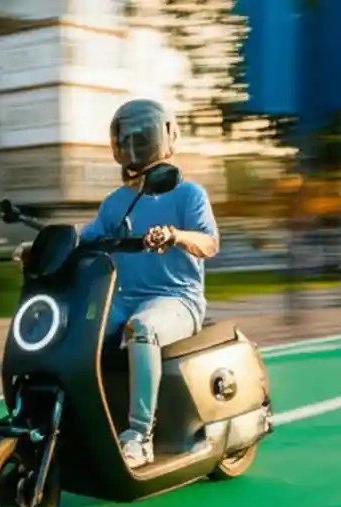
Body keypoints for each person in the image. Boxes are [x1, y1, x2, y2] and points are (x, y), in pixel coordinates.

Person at [79, 98, 220, 468]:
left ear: (162, 136)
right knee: (79, 328)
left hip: (177, 299)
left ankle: (140, 436)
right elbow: (85, 240)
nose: (132, 145)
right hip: (124, 298)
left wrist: (176, 235)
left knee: (142, 327)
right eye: (125, 138)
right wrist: (40, 248)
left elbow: (209, 244)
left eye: (139, 137)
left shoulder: (189, 194)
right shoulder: (116, 202)